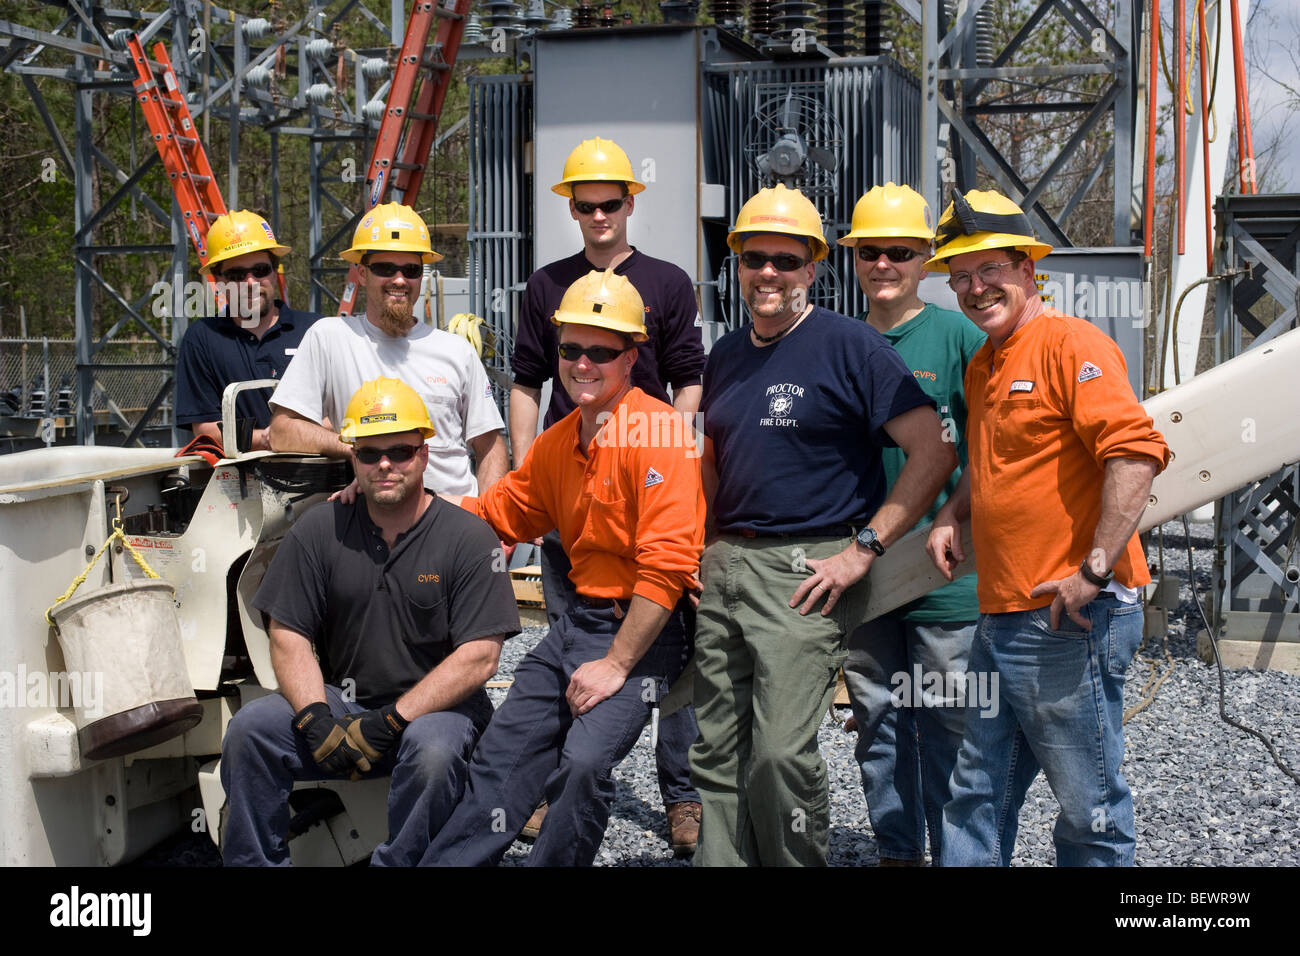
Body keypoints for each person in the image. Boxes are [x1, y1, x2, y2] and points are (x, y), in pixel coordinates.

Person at [690, 184, 958, 866]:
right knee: (718, 746)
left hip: (806, 571)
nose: (769, 273)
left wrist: (863, 547)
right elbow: (715, 456)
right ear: (739, 266)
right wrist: (709, 548)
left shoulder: (849, 346)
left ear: (813, 267)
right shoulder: (725, 355)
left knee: (779, 750)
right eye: (756, 259)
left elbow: (932, 451)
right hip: (729, 567)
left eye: (786, 259)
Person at [419, 269, 705, 867]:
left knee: (582, 763)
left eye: (601, 351)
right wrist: (401, 500)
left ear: (631, 357)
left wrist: (616, 666)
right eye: (571, 349)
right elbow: (498, 514)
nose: (582, 363)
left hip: (643, 634)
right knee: (502, 757)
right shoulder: (557, 443)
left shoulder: (661, 435)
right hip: (576, 624)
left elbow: (666, 568)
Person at [924, 189, 1169, 866]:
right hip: (1002, 613)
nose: (975, 287)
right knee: (975, 791)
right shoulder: (984, 363)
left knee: (1087, 806)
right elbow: (992, 460)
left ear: (1030, 269)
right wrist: (952, 512)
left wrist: (1093, 570)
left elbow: (1136, 454)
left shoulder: (1070, 343)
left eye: (991, 269)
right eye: (962, 275)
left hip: (1068, 617)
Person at [219, 377, 521, 866]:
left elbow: (481, 655)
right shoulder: (320, 529)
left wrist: (393, 720)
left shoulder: (468, 537)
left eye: (400, 451)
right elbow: (287, 631)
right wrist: (314, 717)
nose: (384, 465)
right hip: (345, 702)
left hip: (434, 711)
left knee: (434, 753)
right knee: (251, 730)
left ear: (424, 455)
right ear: (351, 457)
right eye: (368, 453)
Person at [508, 135, 706, 853]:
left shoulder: (667, 283)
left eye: (610, 204)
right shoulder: (546, 287)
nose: (598, 216)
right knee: (576, 640)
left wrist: (673, 456)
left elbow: (689, 375)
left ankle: (682, 795)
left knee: (666, 633)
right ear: (572, 206)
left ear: (630, 203)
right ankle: (556, 780)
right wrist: (532, 470)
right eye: (585, 205)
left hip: (646, 488)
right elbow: (526, 380)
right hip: (572, 489)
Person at [836, 183, 986, 866]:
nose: (884, 263)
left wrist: (957, 518)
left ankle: (955, 854)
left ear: (926, 259)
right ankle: (899, 851)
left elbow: (992, 451)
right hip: (863, 575)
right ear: (855, 259)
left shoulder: (960, 339)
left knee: (950, 727)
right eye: (872, 251)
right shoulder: (836, 342)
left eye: (900, 251)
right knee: (879, 723)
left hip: (943, 576)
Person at [268, 202, 507, 495]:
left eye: (411, 269)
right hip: (373, 517)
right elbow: (283, 431)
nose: (399, 279)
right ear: (361, 274)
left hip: (454, 517)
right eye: (384, 268)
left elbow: (490, 445)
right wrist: (361, 447)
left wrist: (491, 517)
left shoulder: (457, 351)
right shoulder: (331, 338)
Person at [175, 210, 322, 453]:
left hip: (321, 474)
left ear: (275, 272)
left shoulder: (315, 330)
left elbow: (341, 411)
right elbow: (206, 430)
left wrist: (302, 437)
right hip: (239, 482)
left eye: (261, 270)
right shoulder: (201, 339)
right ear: (219, 280)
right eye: (236, 275)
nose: (251, 282)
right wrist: (271, 438)